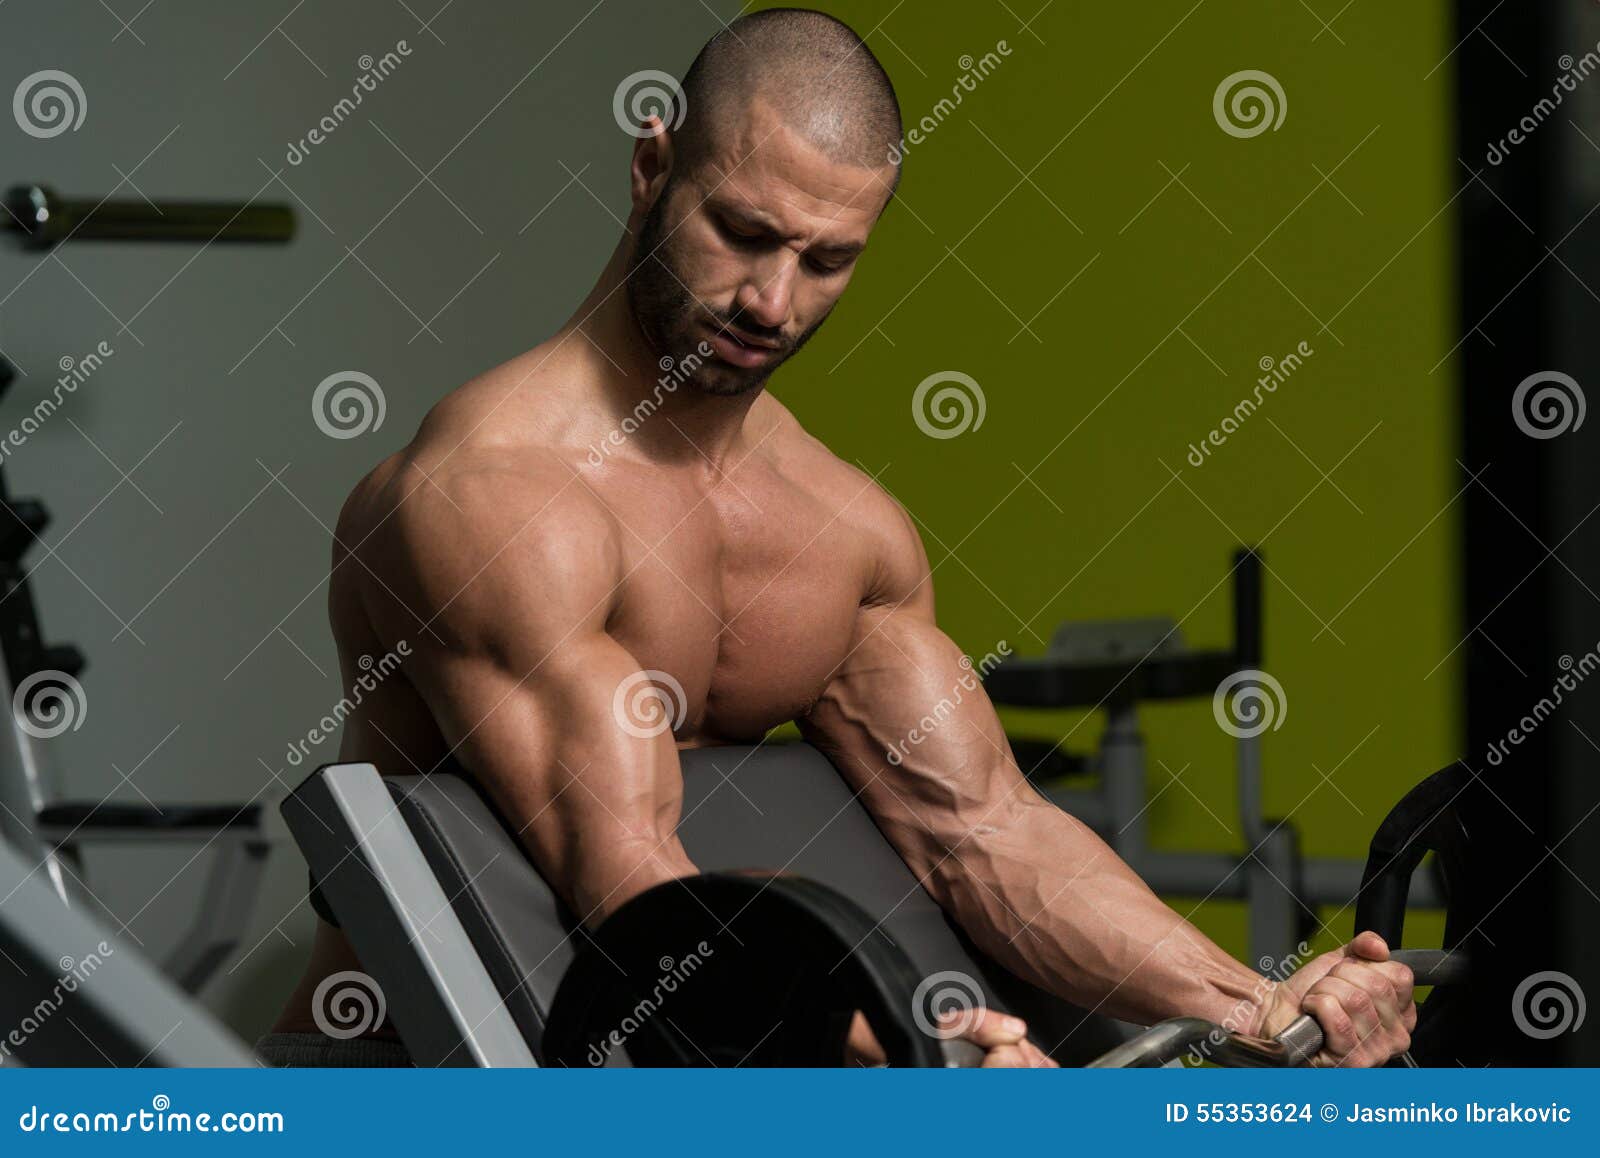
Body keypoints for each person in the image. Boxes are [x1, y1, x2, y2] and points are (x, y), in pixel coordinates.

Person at [261, 8, 1414, 1068]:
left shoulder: (841, 529)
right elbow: (628, 883)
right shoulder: (493, 495)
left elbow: (986, 831)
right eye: (743, 232)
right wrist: (923, 1054)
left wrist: (1251, 1005)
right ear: (650, 166)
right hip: (405, 1075)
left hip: (722, 1069)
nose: (774, 301)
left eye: (827, 260)